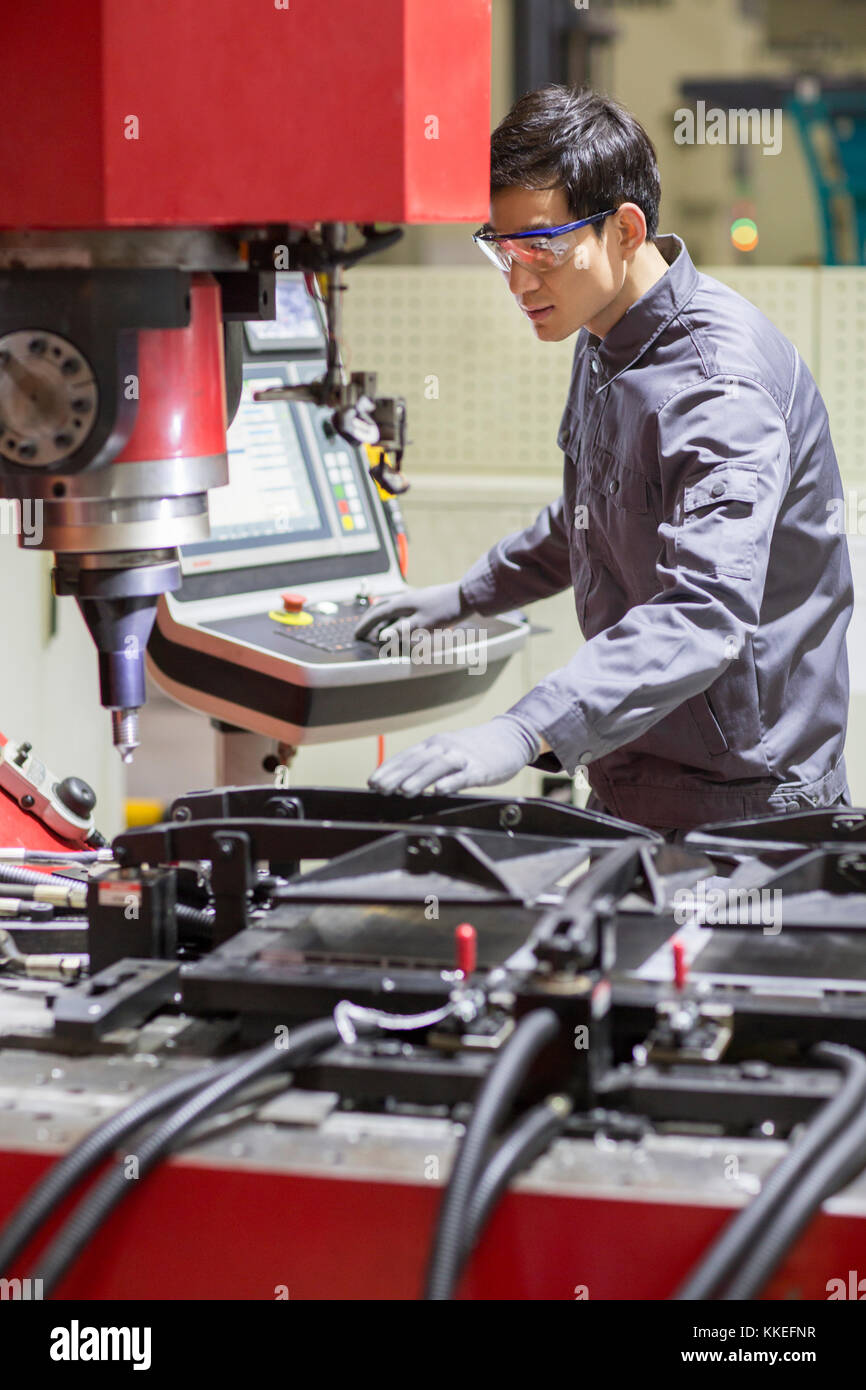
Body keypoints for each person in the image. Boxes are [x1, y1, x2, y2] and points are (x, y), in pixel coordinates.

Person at [355, 85, 853, 836]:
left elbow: (703, 612)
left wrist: (524, 729)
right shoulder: (605, 333)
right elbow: (598, 508)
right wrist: (468, 593)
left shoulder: (719, 387)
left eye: (543, 245)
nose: (520, 281)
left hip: (743, 812)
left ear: (626, 229)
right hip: (632, 775)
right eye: (503, 248)